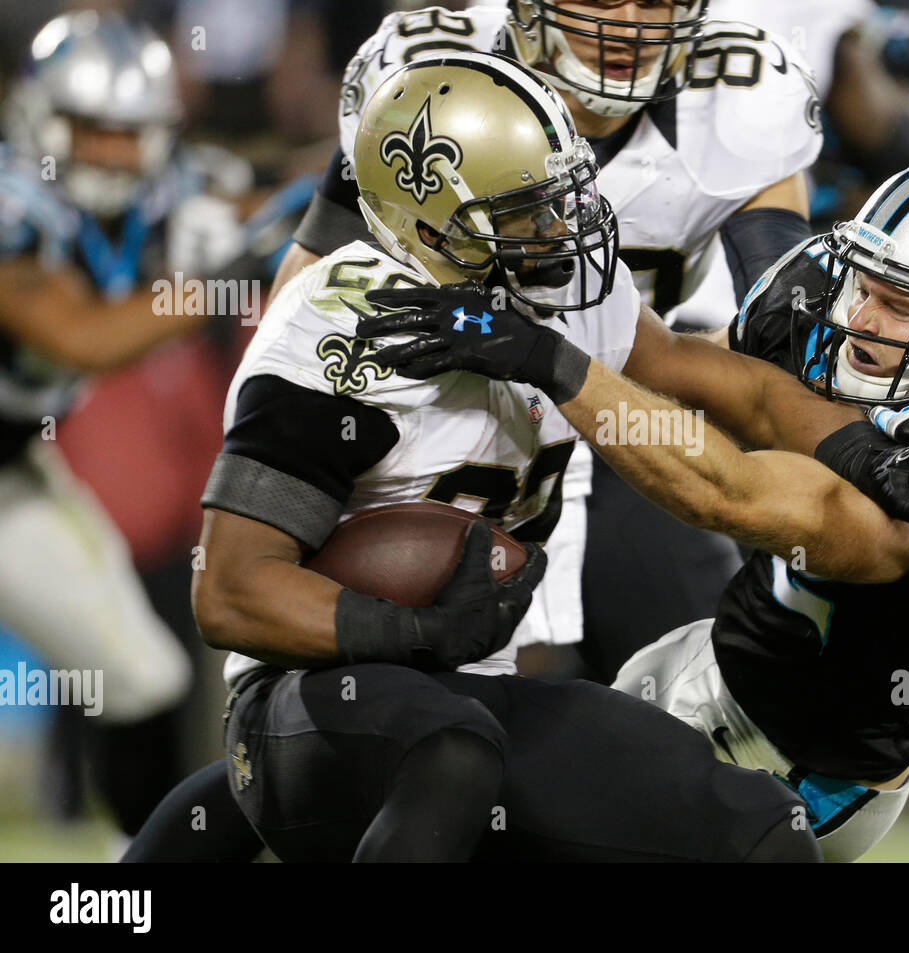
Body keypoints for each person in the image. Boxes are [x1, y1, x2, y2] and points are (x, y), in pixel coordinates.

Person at [183, 53, 839, 862]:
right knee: (450, 752)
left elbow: (724, 388)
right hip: (307, 700)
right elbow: (231, 594)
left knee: (762, 828)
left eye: (564, 200)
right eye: (527, 213)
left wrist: (878, 435)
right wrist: (410, 629)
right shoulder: (338, 335)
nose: (563, 233)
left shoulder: (568, 298)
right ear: (432, 229)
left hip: (474, 690)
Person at [360, 158, 909, 861]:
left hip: (808, 772)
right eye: (865, 283)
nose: (858, 315)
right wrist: (543, 269)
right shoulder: (826, 299)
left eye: (899, 305)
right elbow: (684, 367)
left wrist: (554, 363)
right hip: (702, 657)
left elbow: (733, 493)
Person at [273, 1, 827, 681]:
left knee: (703, 698)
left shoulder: (742, 93)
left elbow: (782, 320)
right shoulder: (431, 73)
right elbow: (307, 291)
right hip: (451, 421)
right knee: (456, 695)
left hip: (627, 411)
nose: (627, 24)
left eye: (655, 0)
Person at [0, 10, 206, 836]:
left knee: (142, 676)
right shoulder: (14, 203)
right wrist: (210, 284)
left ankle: (138, 884)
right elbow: (78, 334)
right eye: (92, 129)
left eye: (130, 133)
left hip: (12, 476)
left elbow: (255, 190)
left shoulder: (160, 199)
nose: (113, 154)